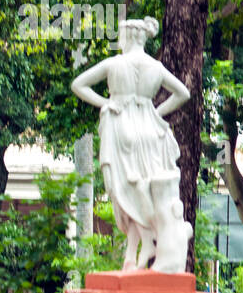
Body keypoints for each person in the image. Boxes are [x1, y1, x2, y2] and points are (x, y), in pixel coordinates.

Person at [71, 16, 191, 270]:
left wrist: (107, 104)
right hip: (150, 132)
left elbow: (78, 85)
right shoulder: (155, 67)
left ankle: (142, 246)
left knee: (125, 190)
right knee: (142, 191)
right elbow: (183, 93)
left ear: (129, 36)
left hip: (121, 127)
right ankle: (135, 250)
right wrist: (155, 113)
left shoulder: (115, 64)